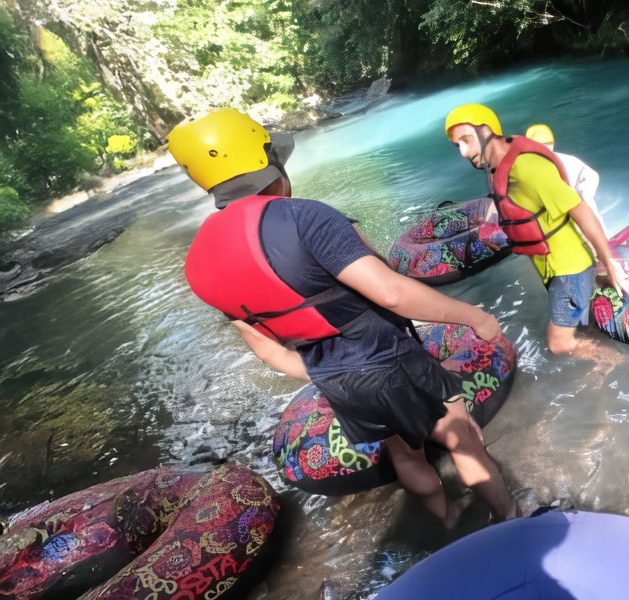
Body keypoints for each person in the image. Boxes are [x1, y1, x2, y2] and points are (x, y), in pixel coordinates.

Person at [168, 108, 514, 525]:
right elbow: (390, 291)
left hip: (336, 381)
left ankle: (447, 519)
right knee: (463, 440)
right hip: (391, 357)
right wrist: (473, 318)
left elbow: (268, 353)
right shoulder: (304, 217)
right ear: (268, 163)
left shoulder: (200, 262)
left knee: (404, 454)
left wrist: (329, 371)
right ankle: (510, 513)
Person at [444, 104, 629, 384]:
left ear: (486, 131)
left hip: (569, 267)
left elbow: (580, 210)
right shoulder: (497, 165)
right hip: (549, 265)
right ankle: (596, 343)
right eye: (457, 144)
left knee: (558, 344)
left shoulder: (528, 167)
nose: (463, 152)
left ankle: (617, 361)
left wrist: (610, 261)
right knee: (576, 321)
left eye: (466, 140)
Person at [524, 124, 601, 219]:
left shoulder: (554, 162)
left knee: (584, 201)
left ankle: (600, 231)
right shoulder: (536, 164)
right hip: (578, 179)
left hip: (586, 177)